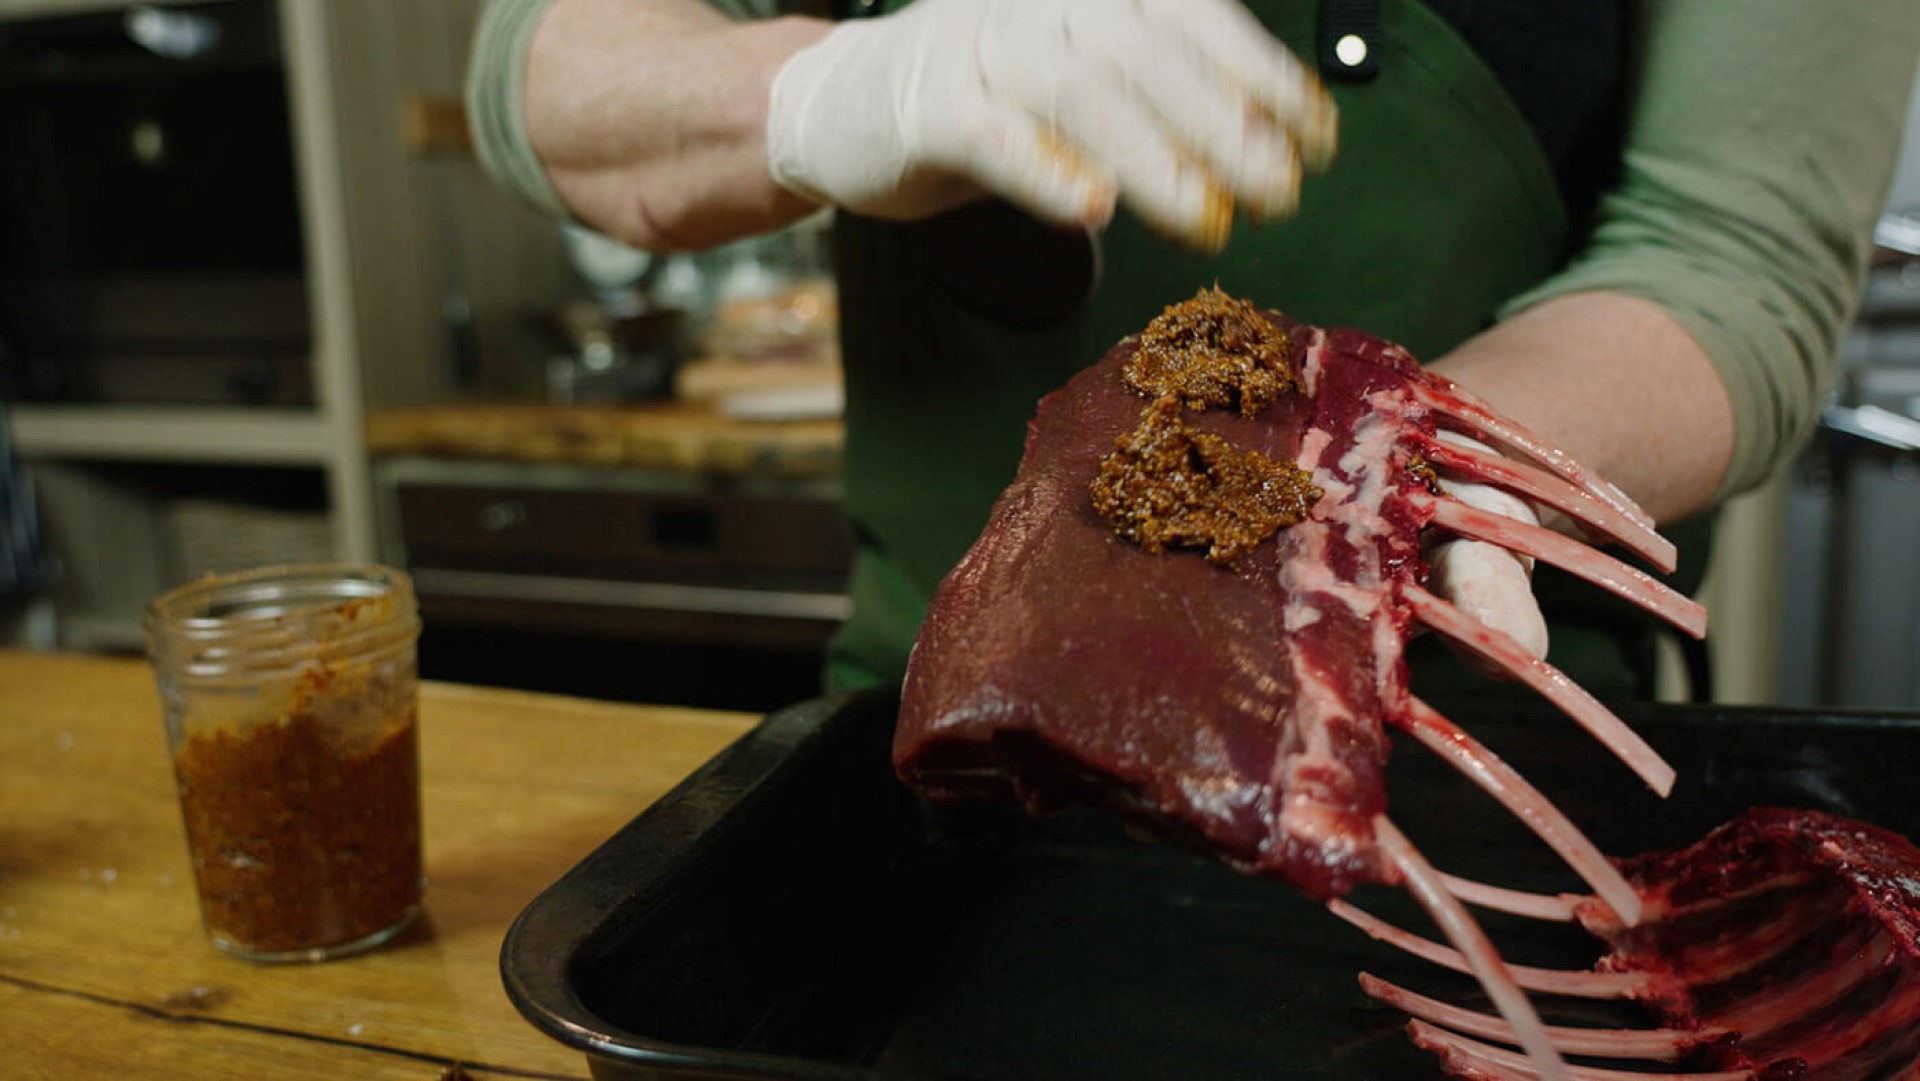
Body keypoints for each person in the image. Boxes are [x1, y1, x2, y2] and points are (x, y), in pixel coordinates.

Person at [466, 0, 1919, 697]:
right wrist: (835, 86)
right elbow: (540, 78)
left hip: (1456, 731)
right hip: (933, 719)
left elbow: (1734, 258)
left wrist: (1389, 458)